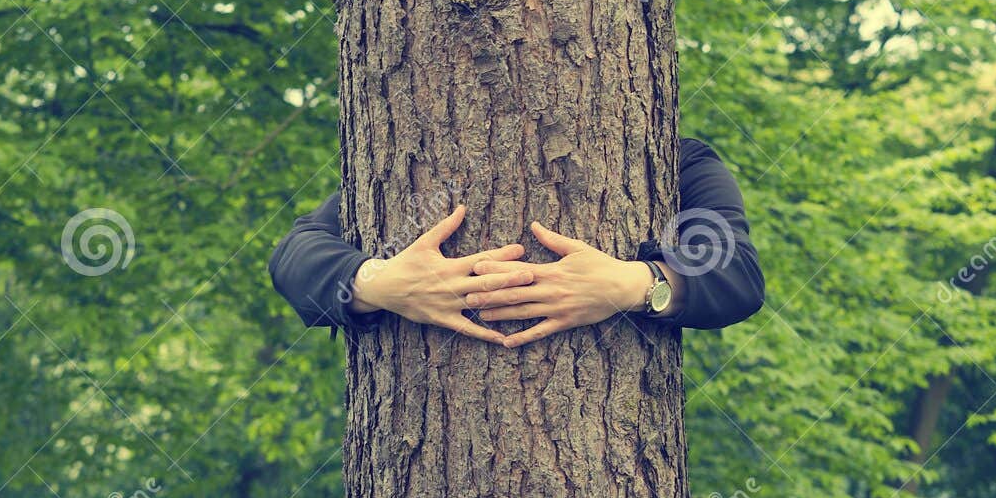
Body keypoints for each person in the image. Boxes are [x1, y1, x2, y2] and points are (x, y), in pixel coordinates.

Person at [269, 136, 764, 343]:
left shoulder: (671, 158)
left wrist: (637, 284)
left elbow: (737, 273)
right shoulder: (412, 158)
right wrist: (374, 284)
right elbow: (294, 256)